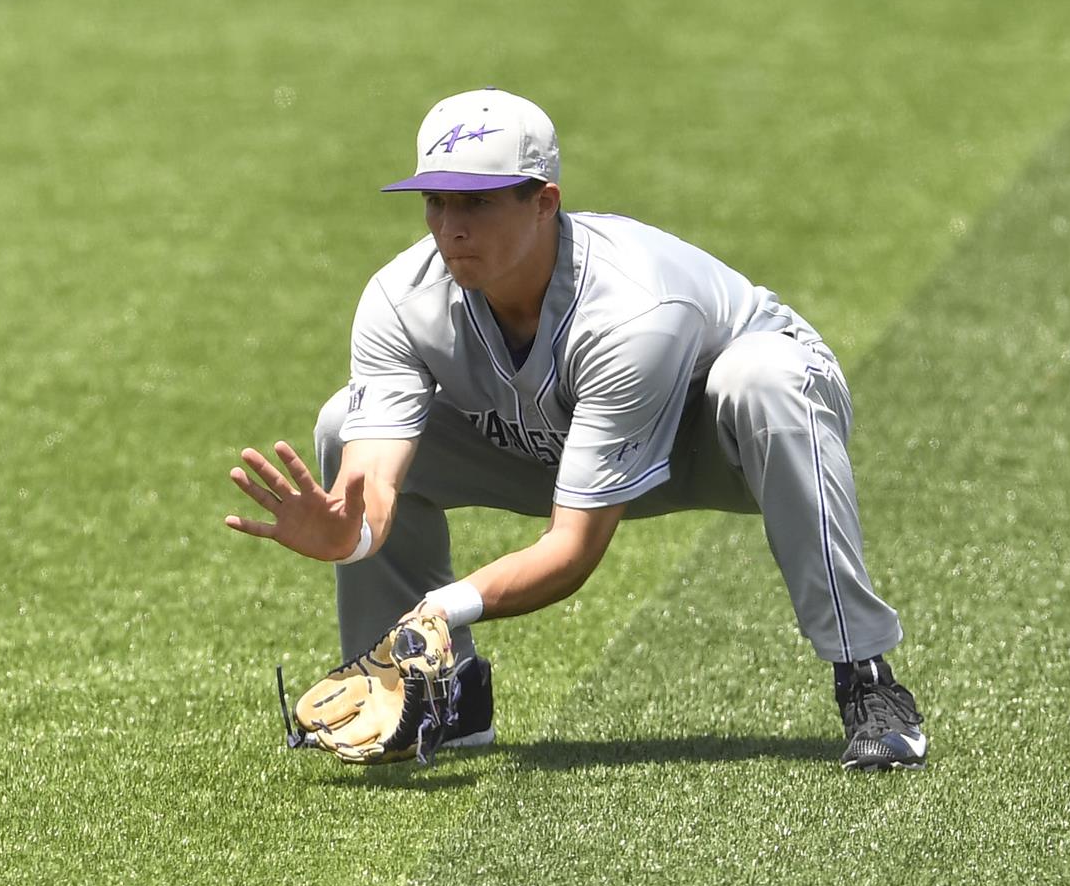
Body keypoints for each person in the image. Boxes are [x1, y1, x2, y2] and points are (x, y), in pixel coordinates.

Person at [224, 88, 927, 771]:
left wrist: (437, 610)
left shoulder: (633, 306)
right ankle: (443, 701)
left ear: (544, 203)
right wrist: (356, 534)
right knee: (344, 422)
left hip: (717, 437)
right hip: (555, 442)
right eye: (435, 201)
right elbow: (373, 477)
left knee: (766, 380)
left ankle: (867, 680)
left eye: (476, 201)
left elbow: (573, 550)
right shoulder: (400, 298)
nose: (449, 225)